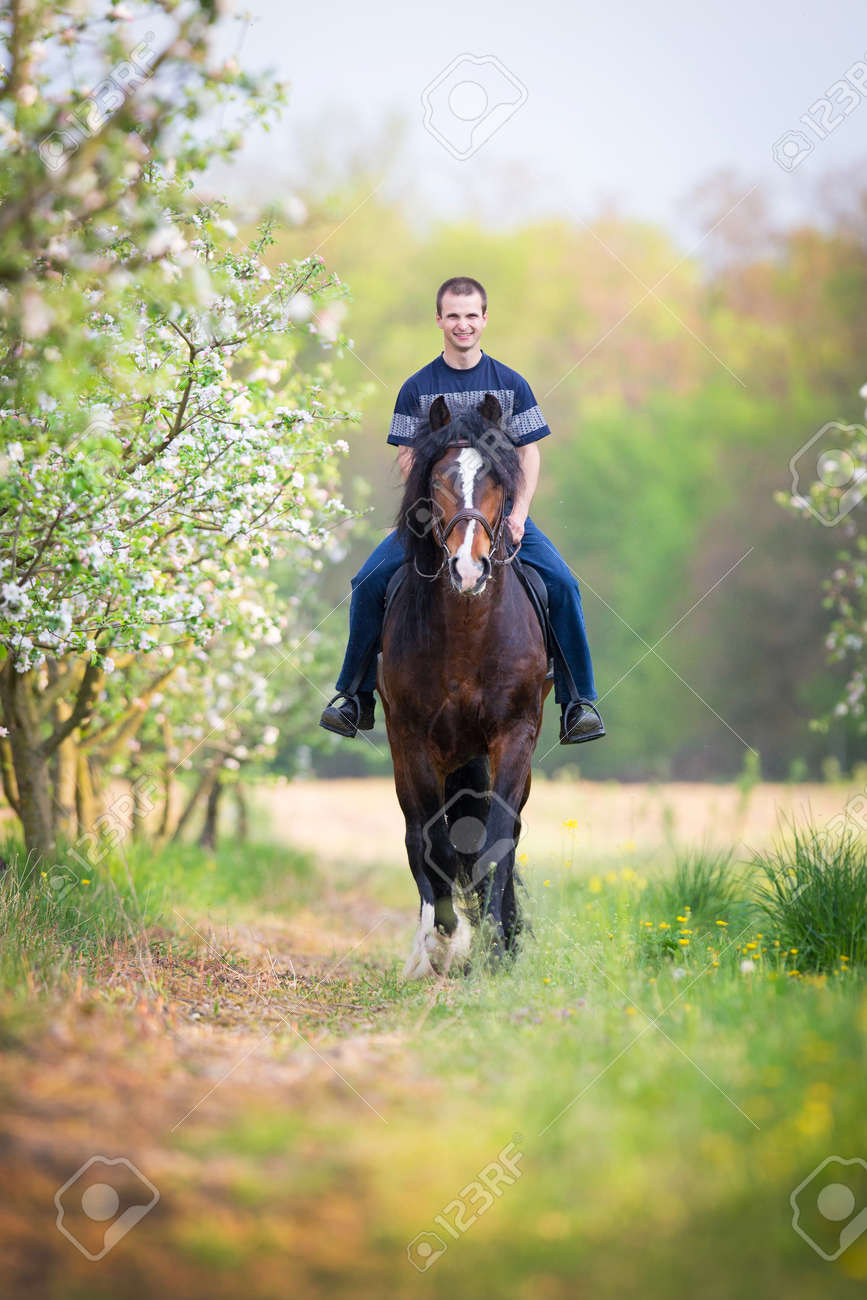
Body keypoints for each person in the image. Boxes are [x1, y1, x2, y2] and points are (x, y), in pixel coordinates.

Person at [319, 275, 605, 745]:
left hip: (500, 514)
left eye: (471, 315)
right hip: (435, 517)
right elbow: (409, 455)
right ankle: (354, 697)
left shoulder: (511, 385)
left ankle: (578, 702)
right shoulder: (417, 387)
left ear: (485, 319)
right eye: (453, 315)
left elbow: (530, 452)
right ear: (439, 320)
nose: (463, 324)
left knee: (564, 584)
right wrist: (432, 513)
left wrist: (518, 514)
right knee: (367, 582)